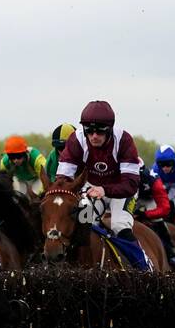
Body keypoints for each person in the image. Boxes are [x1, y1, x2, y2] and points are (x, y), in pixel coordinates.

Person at [54, 100, 142, 245]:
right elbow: (63, 179)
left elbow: (131, 184)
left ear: (110, 129)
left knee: (120, 226)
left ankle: (142, 266)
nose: (94, 136)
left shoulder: (124, 140)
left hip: (122, 191)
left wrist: (104, 189)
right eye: (89, 130)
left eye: (100, 131)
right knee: (83, 225)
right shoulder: (76, 139)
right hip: (91, 189)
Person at [134, 162, 175, 269]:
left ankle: (171, 251)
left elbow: (165, 209)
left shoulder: (154, 181)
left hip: (149, 199)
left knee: (157, 218)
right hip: (131, 196)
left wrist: (145, 214)